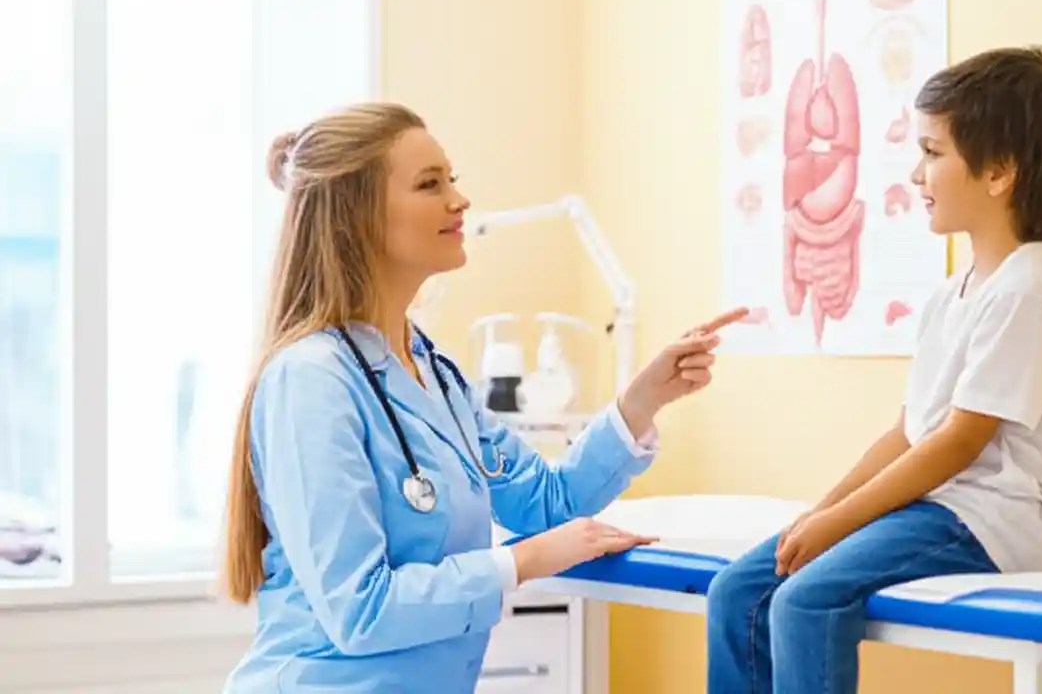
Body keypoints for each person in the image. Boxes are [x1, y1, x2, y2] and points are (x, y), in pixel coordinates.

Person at [218, 102, 748, 692]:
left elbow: (547, 502)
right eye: (429, 184)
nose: (459, 201)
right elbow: (360, 610)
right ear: (355, 217)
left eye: (452, 180)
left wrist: (642, 400)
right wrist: (523, 562)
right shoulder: (311, 380)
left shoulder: (431, 371)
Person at [705, 45, 1042, 692]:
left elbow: (958, 442)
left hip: (994, 521)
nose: (917, 174)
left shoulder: (1033, 288)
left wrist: (838, 524)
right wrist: (818, 514)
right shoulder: (955, 294)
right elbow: (909, 433)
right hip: (940, 505)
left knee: (805, 600)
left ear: (1000, 171)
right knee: (738, 589)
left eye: (933, 152)